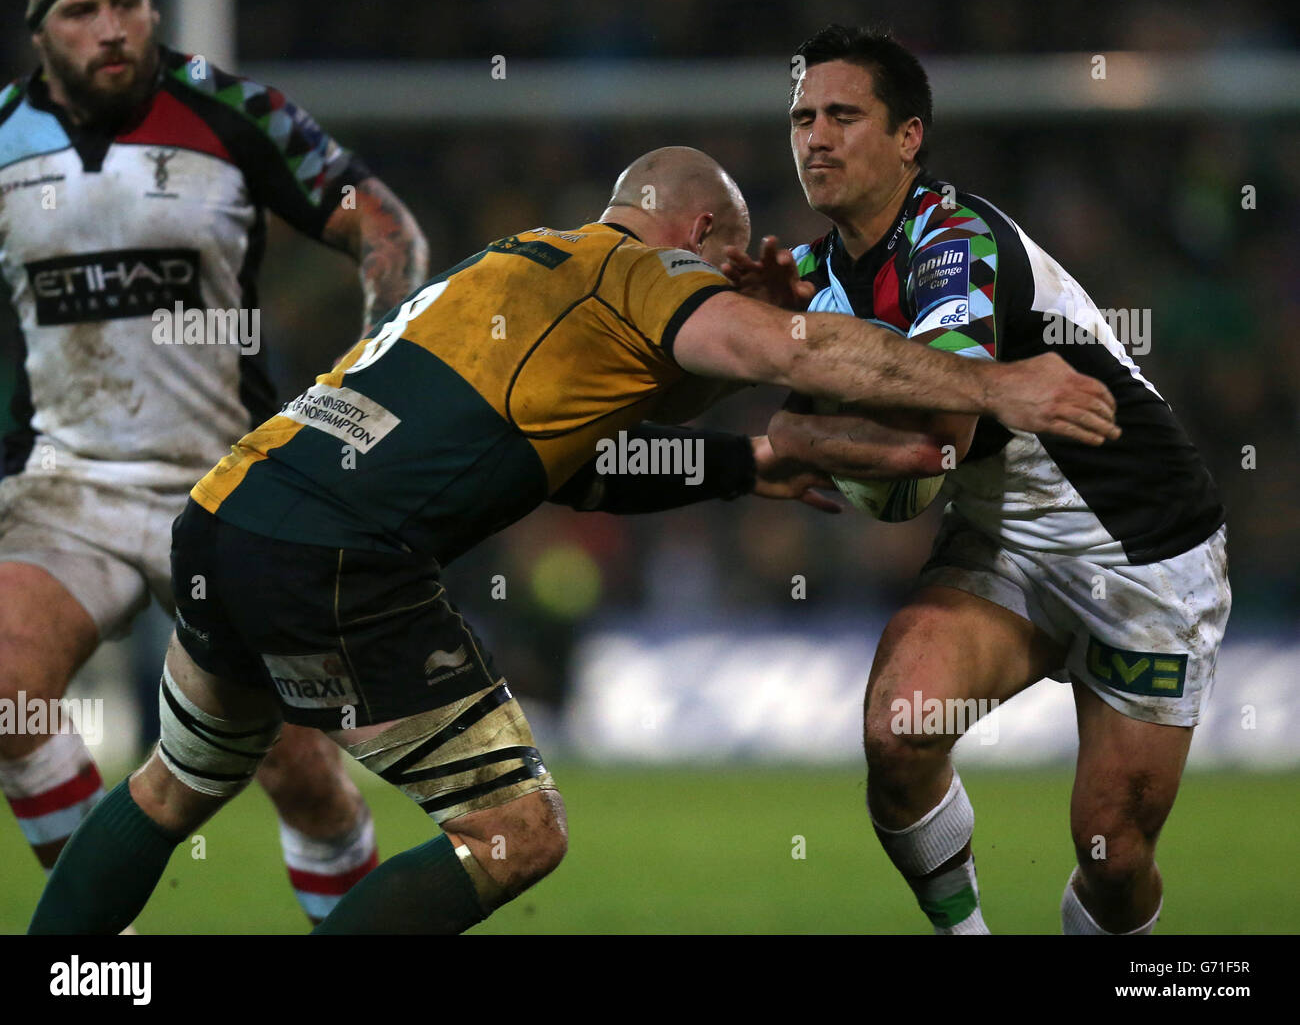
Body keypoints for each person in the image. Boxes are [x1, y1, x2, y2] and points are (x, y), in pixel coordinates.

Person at [29, 145, 1118, 935]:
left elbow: (592, 460)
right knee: (517, 828)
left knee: (174, 784)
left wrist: (751, 462)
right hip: (337, 560)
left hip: (227, 517)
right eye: (725, 266)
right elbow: (801, 349)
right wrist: (988, 379)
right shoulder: (649, 275)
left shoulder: (506, 272)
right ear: (699, 239)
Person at [731, 24, 1229, 935]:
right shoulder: (808, 274)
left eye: (844, 115)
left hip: (1145, 548)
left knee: (1110, 852)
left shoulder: (956, 242)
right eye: (803, 117)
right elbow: (717, 355)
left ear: (909, 137)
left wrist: (796, 429)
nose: (816, 138)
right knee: (897, 731)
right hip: (1007, 546)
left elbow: (936, 445)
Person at [0, 0, 430, 924]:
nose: (112, 27)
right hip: (65, 484)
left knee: (300, 772)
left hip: (226, 489)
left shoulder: (232, 112)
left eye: (129, 2)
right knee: (6, 693)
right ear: (38, 32)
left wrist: (375, 382)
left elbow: (385, 226)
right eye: (81, 9)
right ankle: (103, 930)